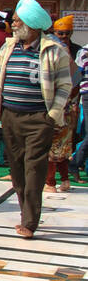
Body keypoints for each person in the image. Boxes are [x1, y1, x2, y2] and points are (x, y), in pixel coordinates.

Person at [0, 0, 73, 237]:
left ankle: (29, 222)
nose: (13, 24)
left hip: (39, 119)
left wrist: (52, 115)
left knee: (34, 169)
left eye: (16, 20)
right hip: (10, 117)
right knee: (17, 170)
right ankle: (25, 212)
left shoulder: (53, 50)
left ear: (31, 23)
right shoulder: (8, 48)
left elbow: (65, 86)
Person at [46, 15, 81, 191]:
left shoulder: (73, 53)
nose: (63, 37)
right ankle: (64, 181)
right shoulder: (60, 53)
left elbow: (77, 82)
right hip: (61, 105)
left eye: (66, 34)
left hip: (61, 107)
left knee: (55, 146)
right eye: (60, 34)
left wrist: (71, 100)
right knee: (61, 146)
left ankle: (50, 182)